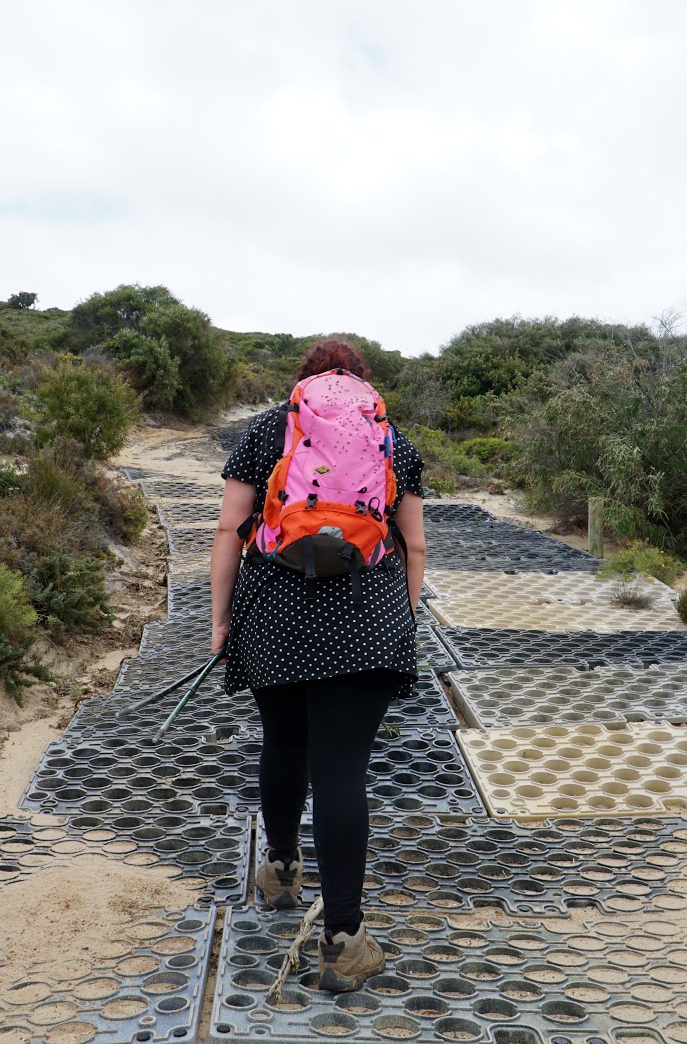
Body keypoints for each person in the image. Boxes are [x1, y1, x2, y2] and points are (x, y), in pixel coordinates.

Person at [210, 338, 426, 993]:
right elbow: (413, 542)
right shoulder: (394, 439)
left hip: (274, 614)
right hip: (368, 617)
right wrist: (404, 622)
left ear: (302, 384)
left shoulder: (268, 428)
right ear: (363, 385)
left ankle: (278, 869)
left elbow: (228, 528)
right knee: (341, 771)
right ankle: (341, 942)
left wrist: (220, 621)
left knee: (284, 739)